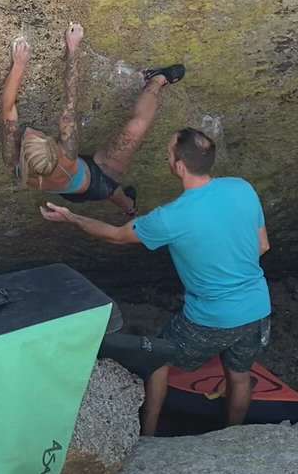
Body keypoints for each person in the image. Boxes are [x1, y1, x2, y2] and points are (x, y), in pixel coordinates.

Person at [40, 127, 271, 434]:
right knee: (239, 375)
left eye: (167, 153)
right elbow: (263, 246)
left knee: (158, 359)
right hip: (257, 307)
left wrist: (72, 217)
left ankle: (149, 436)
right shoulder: (242, 188)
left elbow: (116, 236)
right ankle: (232, 436)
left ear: (178, 166)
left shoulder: (171, 218)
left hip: (211, 318)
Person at [1, 22, 185, 217]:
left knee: (108, 190)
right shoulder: (68, 154)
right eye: (37, 136)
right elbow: (70, 100)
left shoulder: (13, 161)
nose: (28, 131)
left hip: (70, 191)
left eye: (28, 137)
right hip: (95, 181)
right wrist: (73, 49)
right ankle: (157, 80)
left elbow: (7, 108)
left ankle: (128, 207)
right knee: (135, 130)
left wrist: (19, 65)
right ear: (56, 149)